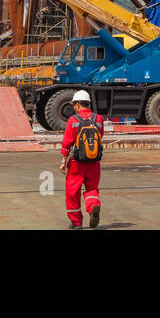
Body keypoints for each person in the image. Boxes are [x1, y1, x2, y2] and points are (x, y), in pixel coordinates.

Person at [59, 90, 105, 229]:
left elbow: (67, 142)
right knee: (92, 188)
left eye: (74, 105)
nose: (73, 107)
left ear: (78, 105)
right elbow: (100, 137)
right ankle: (93, 206)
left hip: (77, 163)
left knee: (72, 192)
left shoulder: (73, 120)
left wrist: (63, 161)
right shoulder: (99, 119)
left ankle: (76, 223)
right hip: (94, 161)